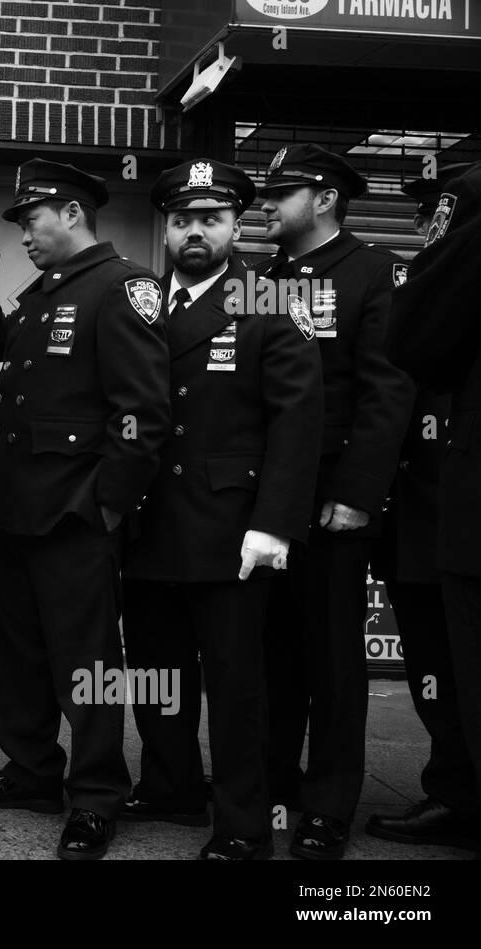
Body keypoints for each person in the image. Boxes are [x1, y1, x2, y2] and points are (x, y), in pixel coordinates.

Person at [0, 160, 170, 861]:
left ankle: (97, 794)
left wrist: (109, 505)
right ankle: (32, 770)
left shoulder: (122, 285)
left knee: (87, 661)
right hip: (16, 500)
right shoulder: (43, 291)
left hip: (76, 510)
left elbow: (142, 412)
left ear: (72, 213)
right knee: (17, 652)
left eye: (32, 219)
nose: (23, 234)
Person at [120, 160, 323, 859]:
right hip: (148, 520)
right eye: (182, 220)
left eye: (211, 219)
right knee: (155, 669)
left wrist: (274, 523)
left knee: (236, 684)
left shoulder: (271, 298)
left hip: (231, 528)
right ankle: (171, 785)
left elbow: (298, 421)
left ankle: (242, 822)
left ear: (236, 226)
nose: (195, 232)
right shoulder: (139, 301)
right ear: (167, 230)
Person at [258, 144, 415, 860]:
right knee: (272, 649)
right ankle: (272, 782)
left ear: (324, 199)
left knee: (332, 657)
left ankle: (327, 806)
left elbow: (388, 389)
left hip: (331, 496)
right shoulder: (263, 279)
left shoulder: (375, 271)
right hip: (266, 495)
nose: (266, 203)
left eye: (282, 193)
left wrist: (356, 494)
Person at [387, 159, 481, 853]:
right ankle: (455, 790)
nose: (427, 226)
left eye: (434, 213)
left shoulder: (442, 272)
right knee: (439, 671)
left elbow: (418, 349)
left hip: (459, 497)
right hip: (428, 504)